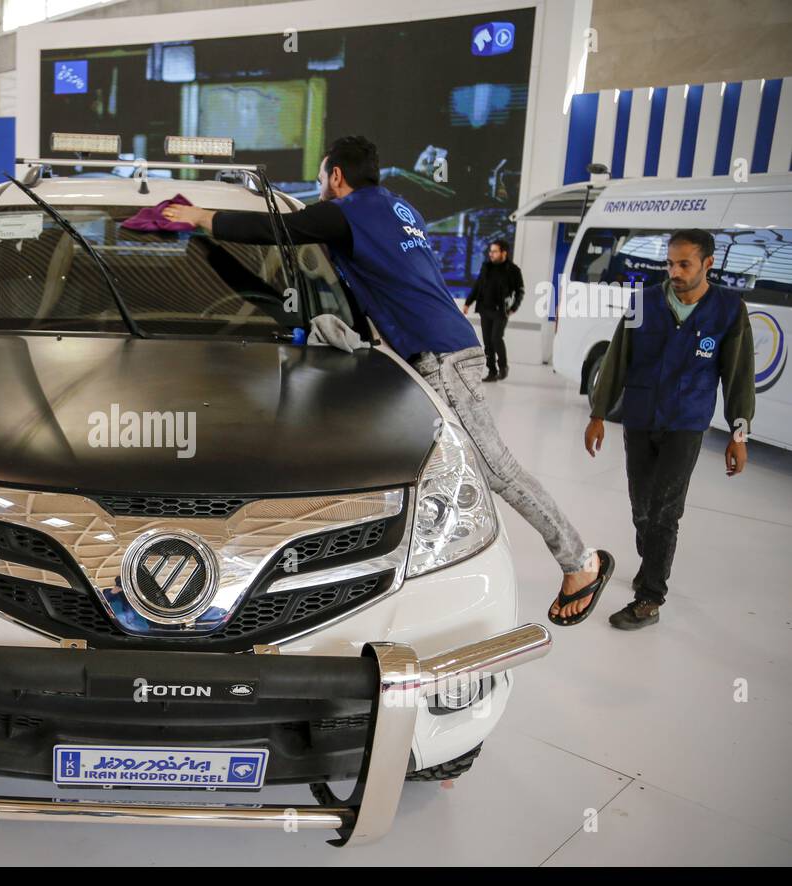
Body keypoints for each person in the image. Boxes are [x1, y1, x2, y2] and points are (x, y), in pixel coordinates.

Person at [164, 135, 614, 626]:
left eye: (321, 176)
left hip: (441, 357)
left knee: (495, 469)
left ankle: (579, 561)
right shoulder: (399, 209)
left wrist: (201, 219)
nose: (319, 186)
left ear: (337, 176)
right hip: (441, 349)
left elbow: (281, 229)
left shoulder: (348, 212)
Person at [584, 229, 754, 630]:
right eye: (670, 263)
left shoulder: (729, 309)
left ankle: (649, 598)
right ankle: (652, 559)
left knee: (665, 511)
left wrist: (738, 432)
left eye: (684, 264)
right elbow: (617, 359)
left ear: (707, 264)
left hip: (686, 423)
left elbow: (738, 375)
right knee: (641, 507)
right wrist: (598, 414)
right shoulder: (643, 303)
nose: (674, 272)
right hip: (641, 419)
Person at [463, 238, 524, 381]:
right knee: (487, 342)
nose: (491, 254)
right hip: (485, 309)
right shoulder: (486, 267)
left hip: (501, 311)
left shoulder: (513, 270)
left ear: (504, 253)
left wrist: (514, 307)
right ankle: (491, 371)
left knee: (496, 338)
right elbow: (478, 285)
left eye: (495, 251)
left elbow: (520, 291)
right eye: (490, 251)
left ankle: (503, 367)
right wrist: (468, 303)